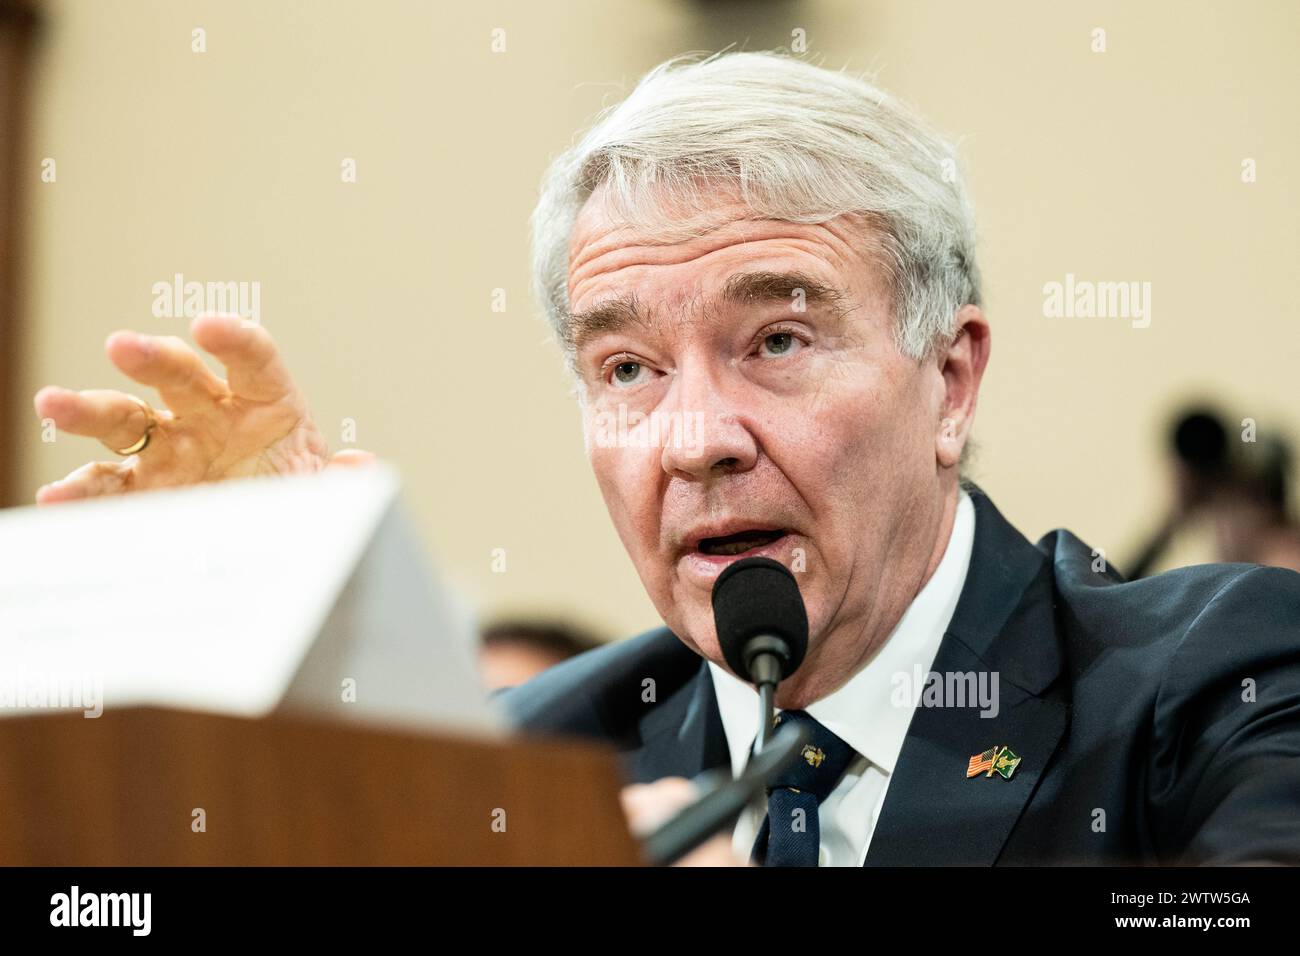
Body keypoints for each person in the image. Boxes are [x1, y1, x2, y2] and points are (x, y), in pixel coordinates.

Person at [32, 52, 1300, 866]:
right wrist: (309, 656)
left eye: (778, 338)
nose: (693, 440)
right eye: (626, 369)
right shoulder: (545, 757)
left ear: (949, 379)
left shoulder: (1217, 679)